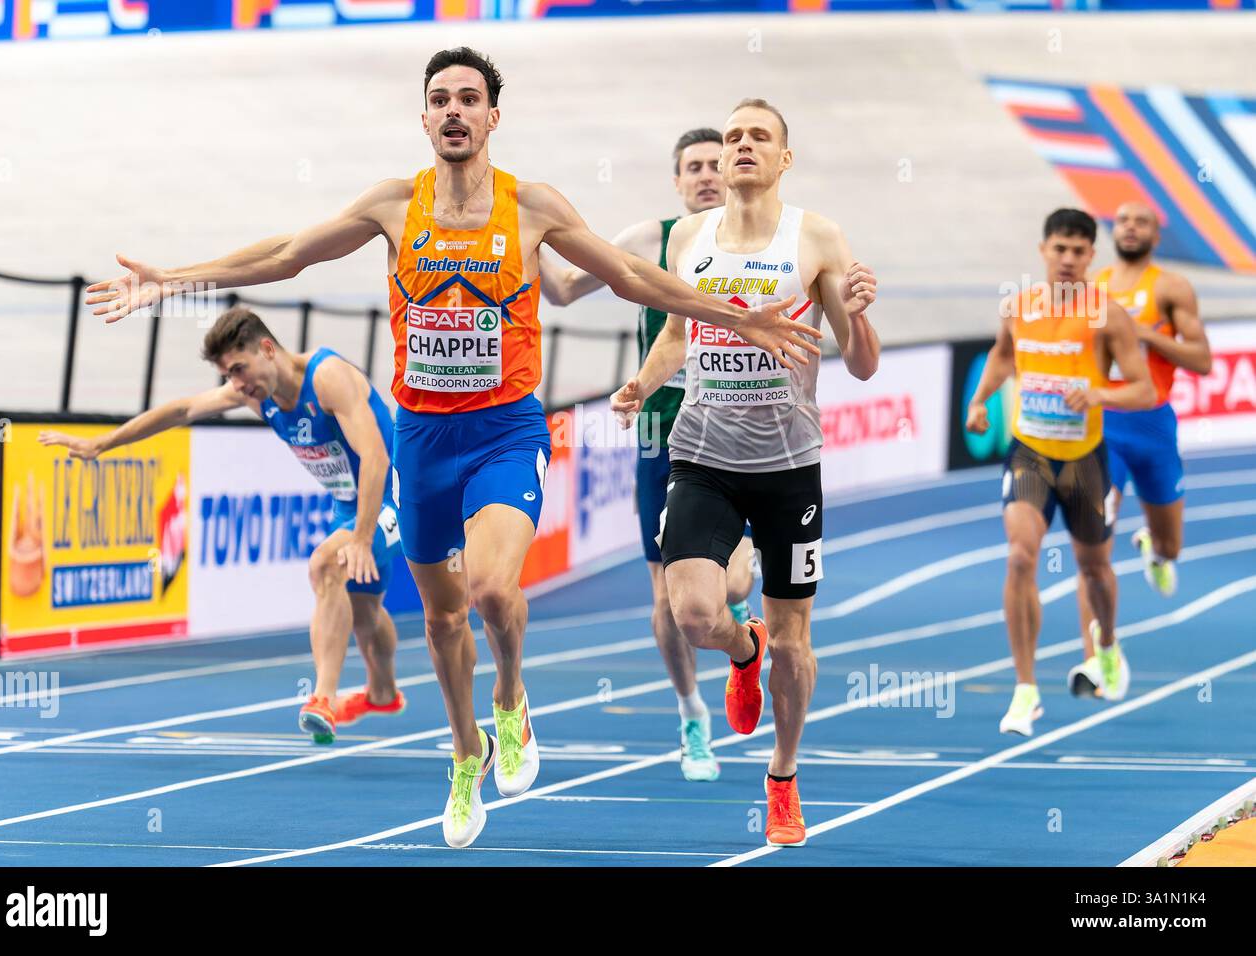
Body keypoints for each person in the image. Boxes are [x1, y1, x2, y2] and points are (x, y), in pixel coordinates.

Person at [83, 48, 819, 848]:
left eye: (470, 98)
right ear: (425, 117)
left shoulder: (532, 207)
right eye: (441, 100)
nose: (456, 111)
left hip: (504, 431)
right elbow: (286, 253)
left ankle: (511, 701)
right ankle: (465, 752)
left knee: (494, 593)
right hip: (423, 436)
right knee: (440, 620)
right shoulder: (394, 205)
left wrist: (742, 317)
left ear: (493, 117)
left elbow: (635, 277)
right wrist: (174, 280)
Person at [612, 98, 880, 847]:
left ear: (784, 158)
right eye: (732, 137)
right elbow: (675, 331)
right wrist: (642, 381)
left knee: (797, 640)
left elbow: (860, 365)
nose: (741, 147)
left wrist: (857, 315)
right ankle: (741, 648)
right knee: (693, 613)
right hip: (702, 455)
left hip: (790, 466)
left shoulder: (816, 237)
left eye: (758, 136)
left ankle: (784, 777)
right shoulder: (690, 238)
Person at [40, 308, 406, 743]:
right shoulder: (256, 394)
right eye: (227, 375)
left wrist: (363, 536)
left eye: (238, 369)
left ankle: (322, 698)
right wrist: (102, 443)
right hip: (348, 505)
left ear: (267, 350)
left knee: (325, 566)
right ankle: (382, 692)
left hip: (394, 496)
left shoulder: (329, 377)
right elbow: (183, 409)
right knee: (363, 613)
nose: (236, 383)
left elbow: (377, 459)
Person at [538, 126, 755, 783]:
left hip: (733, 429)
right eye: (693, 167)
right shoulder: (646, 240)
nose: (707, 176)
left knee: (736, 584)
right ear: (677, 180)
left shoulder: (759, 244)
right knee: (665, 605)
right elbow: (565, 290)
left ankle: (740, 617)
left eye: (716, 165)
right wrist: (528, 238)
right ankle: (692, 715)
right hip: (662, 435)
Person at [965, 209, 1155, 735]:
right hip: (1031, 454)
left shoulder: (1107, 317)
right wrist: (980, 400)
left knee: (1094, 569)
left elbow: (1144, 388)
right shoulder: (1019, 308)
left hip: (1085, 460)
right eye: (1059, 249)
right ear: (1044, 251)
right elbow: (1003, 358)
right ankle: (1026, 689)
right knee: (1021, 555)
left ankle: (1109, 644)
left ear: (1092, 256)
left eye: (1079, 251)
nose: (1068, 259)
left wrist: (1100, 392)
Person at [1069, 202, 1212, 696]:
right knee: (1092, 547)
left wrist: (1146, 334)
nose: (1129, 227)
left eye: (1141, 221)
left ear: (1156, 233)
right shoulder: (1093, 288)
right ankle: (1098, 657)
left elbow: (1203, 360)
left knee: (1172, 543)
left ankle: (1156, 549)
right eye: (1123, 220)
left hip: (1153, 427)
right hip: (1102, 426)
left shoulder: (1171, 288)